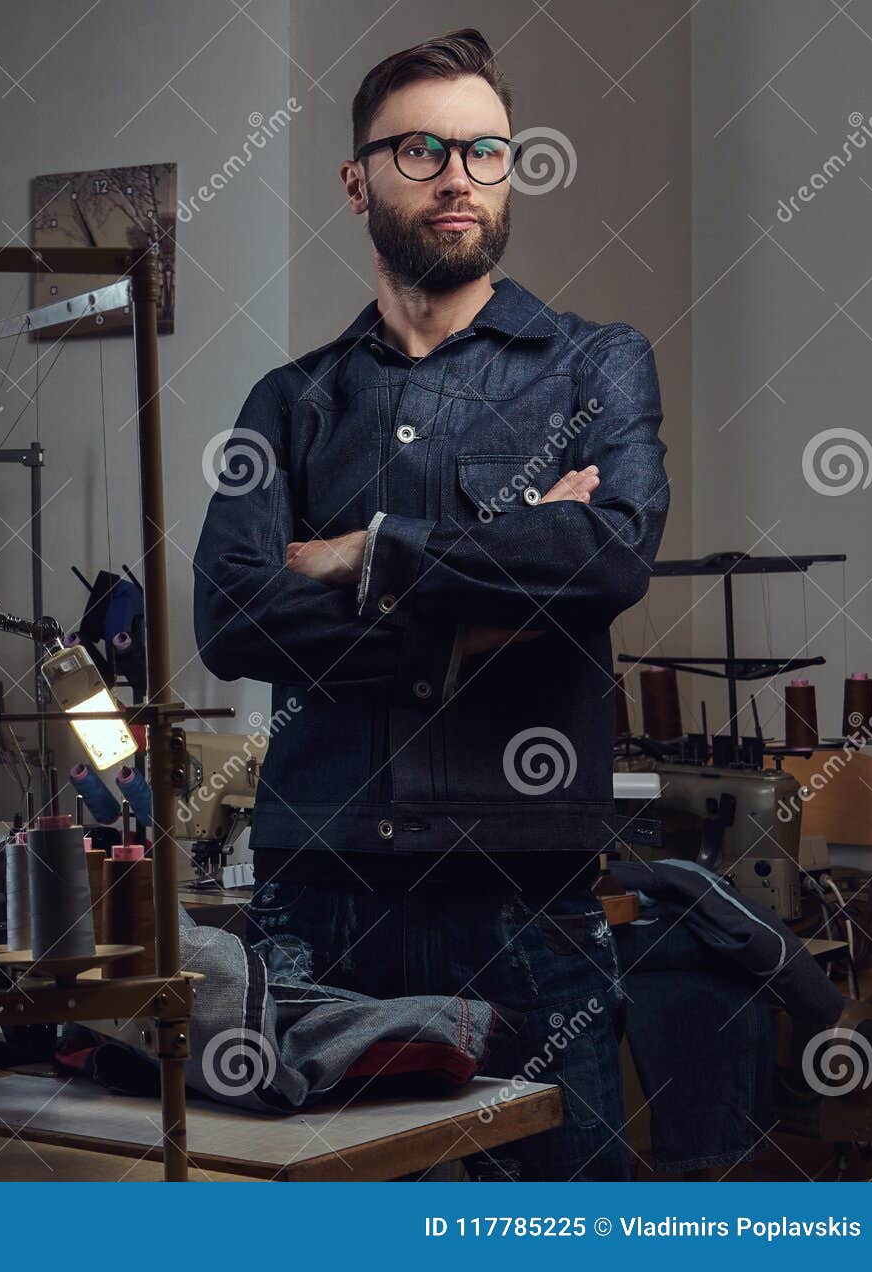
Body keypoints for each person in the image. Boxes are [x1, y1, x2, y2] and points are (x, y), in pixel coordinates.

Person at [190, 27, 669, 1181]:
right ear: (357, 180)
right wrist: (479, 605)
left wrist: (367, 552)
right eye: (420, 149)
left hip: (523, 900)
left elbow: (606, 555)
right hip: (322, 897)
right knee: (329, 1218)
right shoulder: (292, 402)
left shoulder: (595, 366)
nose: (458, 175)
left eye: (485, 151)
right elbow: (232, 617)